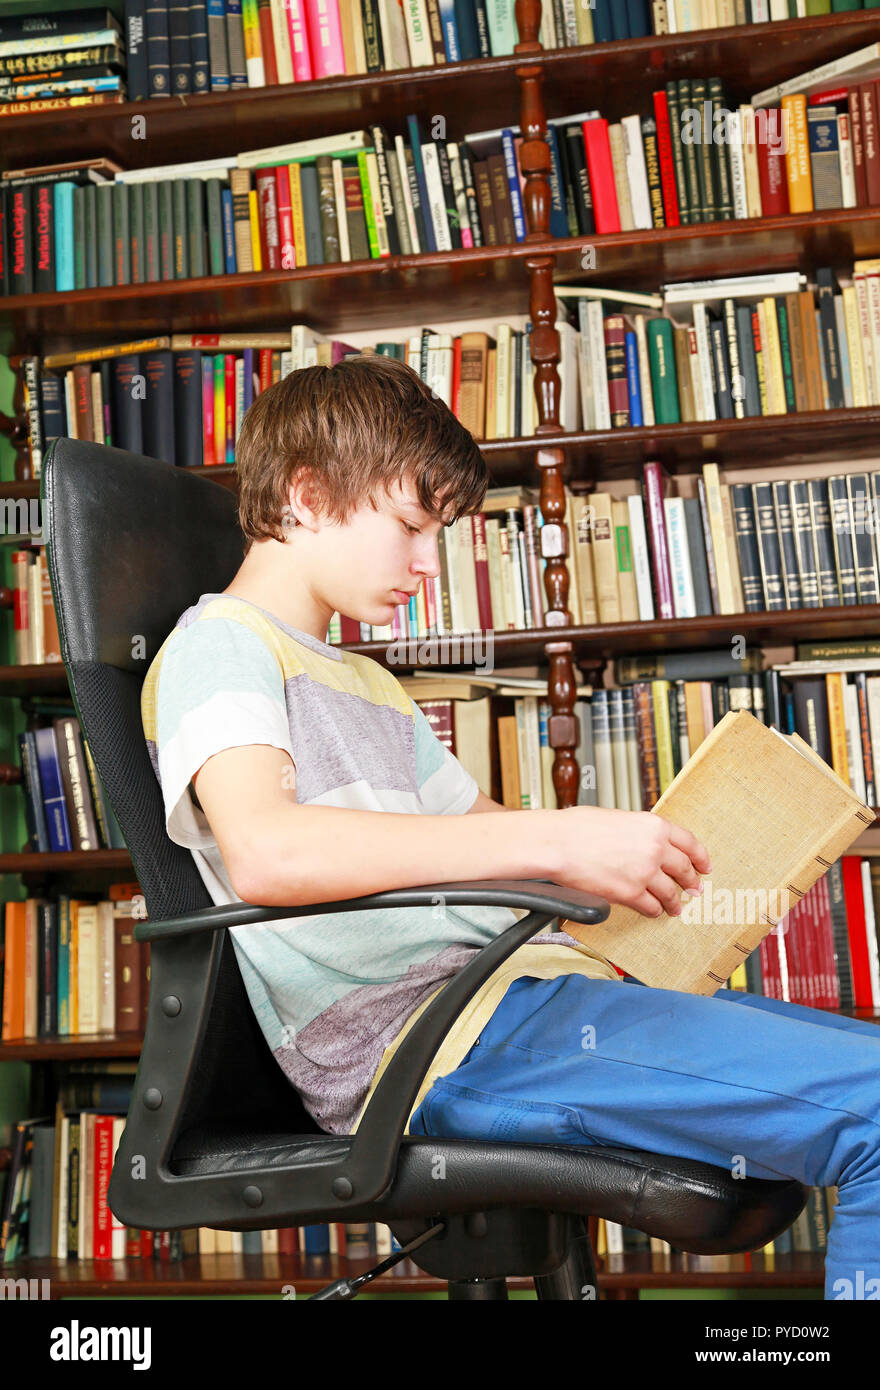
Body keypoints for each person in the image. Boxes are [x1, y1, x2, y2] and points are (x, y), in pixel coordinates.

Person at [141, 353, 880, 1301]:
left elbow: (497, 841)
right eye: (410, 524)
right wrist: (555, 840)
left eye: (438, 534)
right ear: (308, 493)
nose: (425, 563)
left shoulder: (367, 686)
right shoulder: (220, 647)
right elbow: (267, 850)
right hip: (439, 1044)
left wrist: (641, 866)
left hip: (520, 1002)